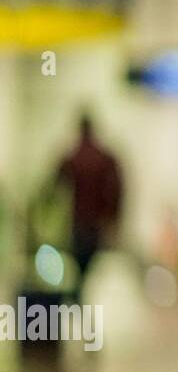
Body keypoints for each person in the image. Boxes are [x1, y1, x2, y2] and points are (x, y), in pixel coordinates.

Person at [57, 114, 123, 302]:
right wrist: (112, 219)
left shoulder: (72, 158)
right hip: (95, 225)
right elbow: (116, 192)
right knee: (87, 274)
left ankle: (79, 303)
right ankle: (81, 305)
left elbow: (55, 187)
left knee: (82, 273)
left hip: (77, 224)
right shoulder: (104, 158)